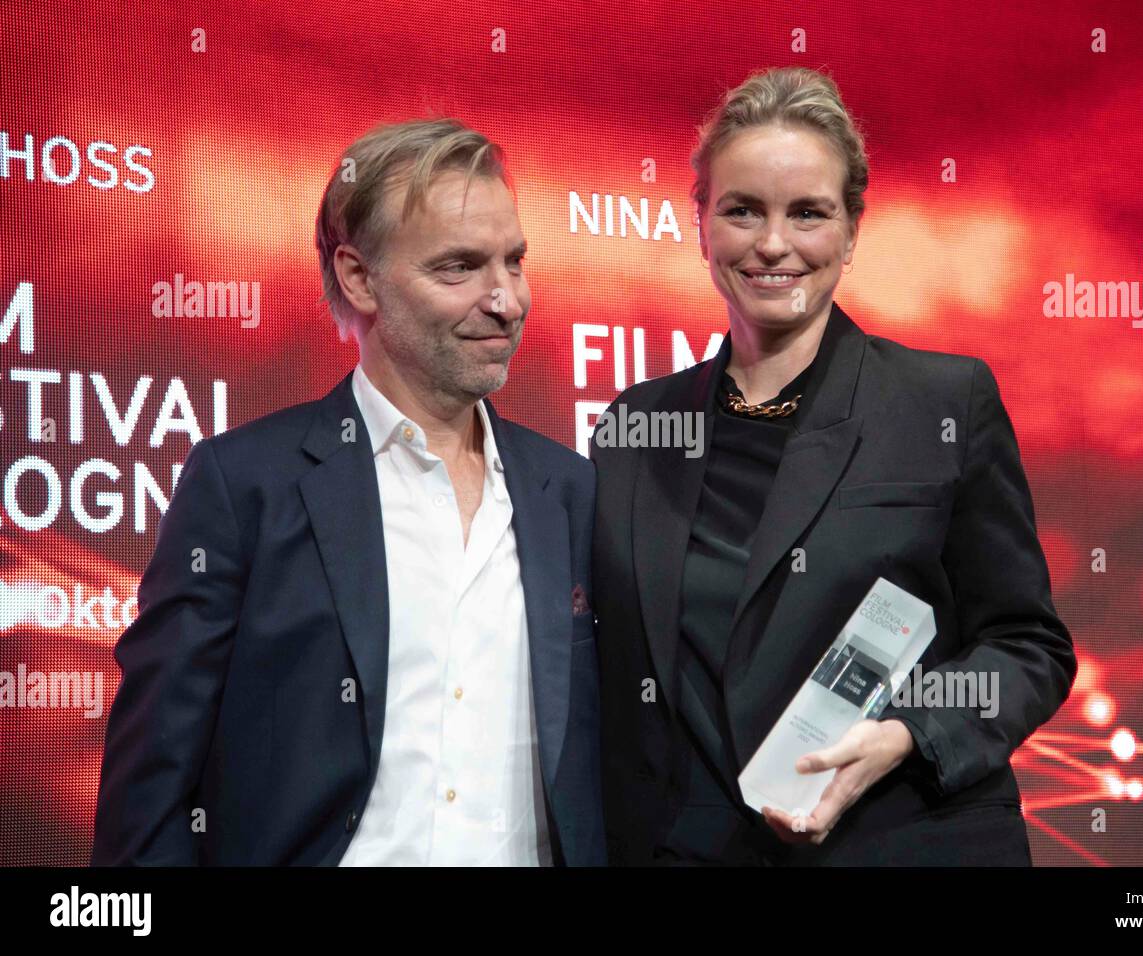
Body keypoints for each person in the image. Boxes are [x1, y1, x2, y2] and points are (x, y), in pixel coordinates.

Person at [591, 67, 1076, 865]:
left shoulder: (941, 401)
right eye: (742, 210)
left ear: (852, 229)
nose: (773, 244)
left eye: (808, 213)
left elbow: (1027, 644)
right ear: (701, 223)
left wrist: (909, 732)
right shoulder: (638, 427)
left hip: (895, 843)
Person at [91, 118, 604, 866]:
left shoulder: (570, 490)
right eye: (459, 267)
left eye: (514, 262)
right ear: (360, 277)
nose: (506, 300)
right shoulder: (244, 488)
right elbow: (148, 803)